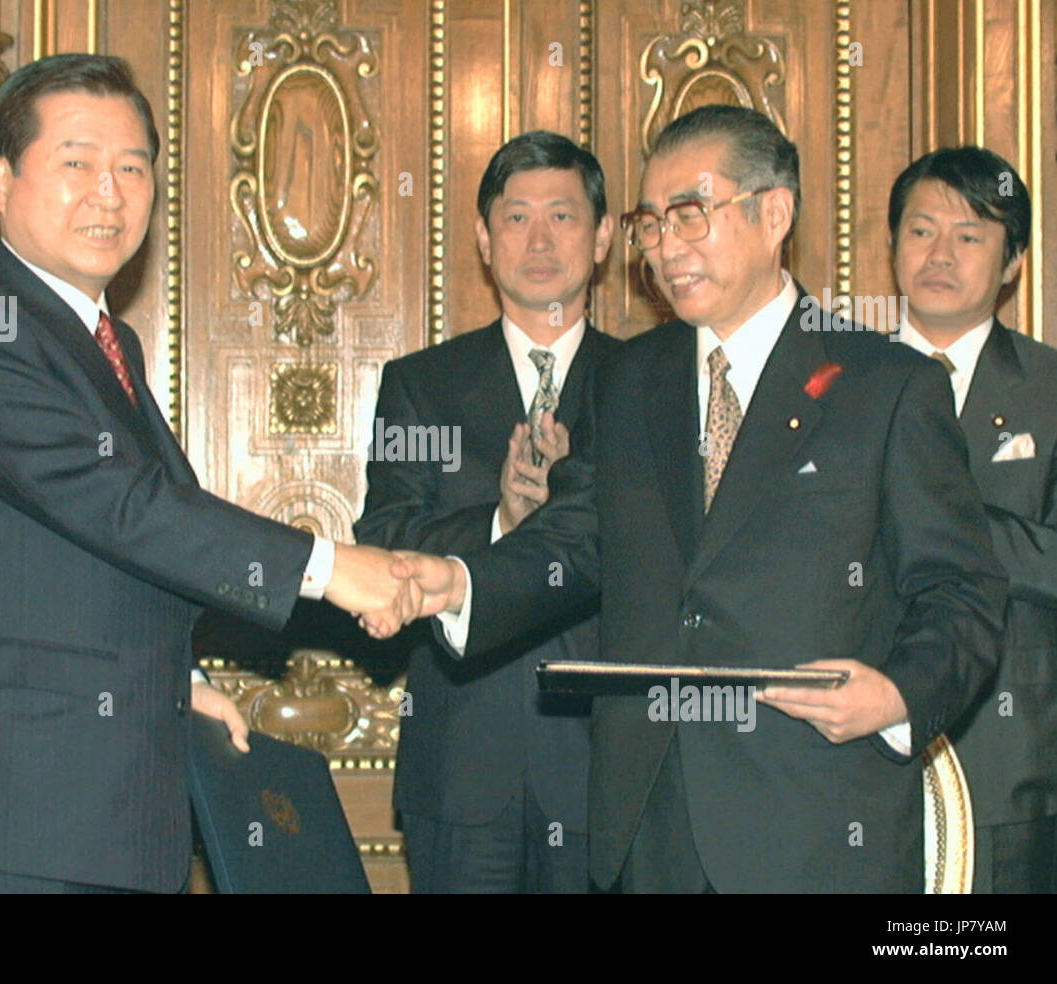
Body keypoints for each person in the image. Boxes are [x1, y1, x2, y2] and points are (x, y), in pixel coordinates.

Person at [393, 105, 1007, 892]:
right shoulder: (629, 381)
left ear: (774, 213)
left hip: (814, 825)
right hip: (650, 828)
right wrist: (458, 582)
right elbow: (573, 543)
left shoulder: (886, 385)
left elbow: (963, 591)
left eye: (691, 215)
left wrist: (896, 696)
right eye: (651, 225)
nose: (665, 249)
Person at [0, 53, 415, 894]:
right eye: (75, 163)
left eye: (132, 167)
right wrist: (332, 569)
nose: (109, 192)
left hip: (96, 819)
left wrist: (179, 681)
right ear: (0, 179)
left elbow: (101, 551)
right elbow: (123, 507)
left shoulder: (104, 342)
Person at [355, 131, 618, 892]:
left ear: (602, 237)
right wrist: (498, 521)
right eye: (516, 217)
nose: (539, 241)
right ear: (482, 236)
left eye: (563, 218)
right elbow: (384, 538)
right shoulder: (422, 385)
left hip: (605, 770)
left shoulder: (647, 383)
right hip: (462, 766)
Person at [889, 145, 1057, 893]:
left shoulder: (1050, 392)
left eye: (970, 235)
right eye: (921, 230)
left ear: (1014, 260)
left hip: (1009, 765)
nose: (940, 254)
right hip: (850, 763)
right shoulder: (829, 383)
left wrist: (934, 517)